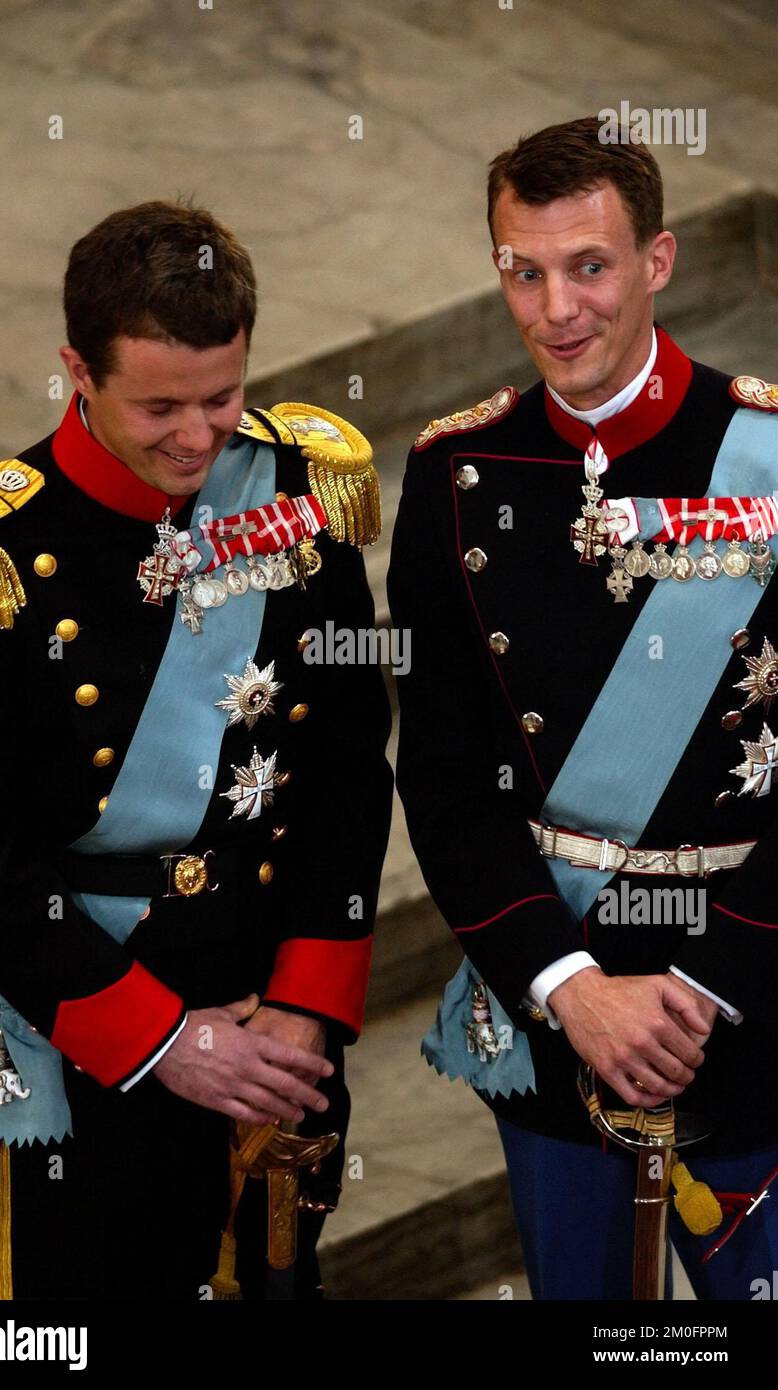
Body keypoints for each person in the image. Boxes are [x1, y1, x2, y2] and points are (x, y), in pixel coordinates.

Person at [0, 199, 393, 1300]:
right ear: (75, 371)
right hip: (78, 1015)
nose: (198, 439)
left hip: (263, 996)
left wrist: (304, 1004)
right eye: (159, 408)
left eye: (222, 399)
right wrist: (158, 1040)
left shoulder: (295, 497)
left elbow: (342, 767)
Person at [388, 117, 778, 1300]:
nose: (554, 308)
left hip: (754, 987)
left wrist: (701, 986)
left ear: (656, 262)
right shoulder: (458, 475)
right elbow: (446, 777)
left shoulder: (763, 451)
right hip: (563, 1006)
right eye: (522, 269)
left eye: (588, 266)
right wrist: (566, 985)